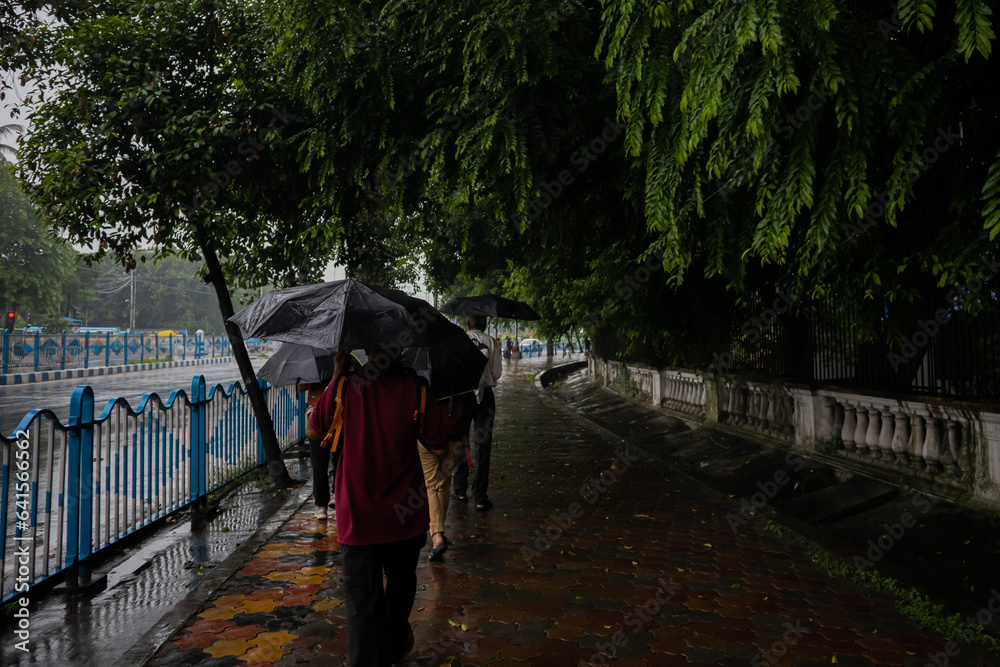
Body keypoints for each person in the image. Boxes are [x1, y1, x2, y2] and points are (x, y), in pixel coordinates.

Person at [306, 349, 448, 667]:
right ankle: (395, 641)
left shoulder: (343, 387)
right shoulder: (419, 389)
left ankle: (372, 657)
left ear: (367, 350)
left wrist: (337, 372)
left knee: (361, 599)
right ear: (401, 349)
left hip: (358, 513)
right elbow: (438, 445)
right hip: (405, 514)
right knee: (400, 586)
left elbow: (314, 431)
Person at [452, 315, 503, 511]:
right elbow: (497, 373)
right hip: (485, 399)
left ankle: (460, 490)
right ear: (484, 325)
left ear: (468, 324)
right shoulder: (490, 341)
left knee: (461, 441)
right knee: (483, 444)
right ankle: (480, 497)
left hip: (463, 396)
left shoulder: (458, 340)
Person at [418, 393, 474, 561]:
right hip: (455, 434)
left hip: (428, 437)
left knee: (431, 485)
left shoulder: (424, 379)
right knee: (444, 484)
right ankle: (439, 531)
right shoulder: (461, 377)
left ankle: (437, 535)